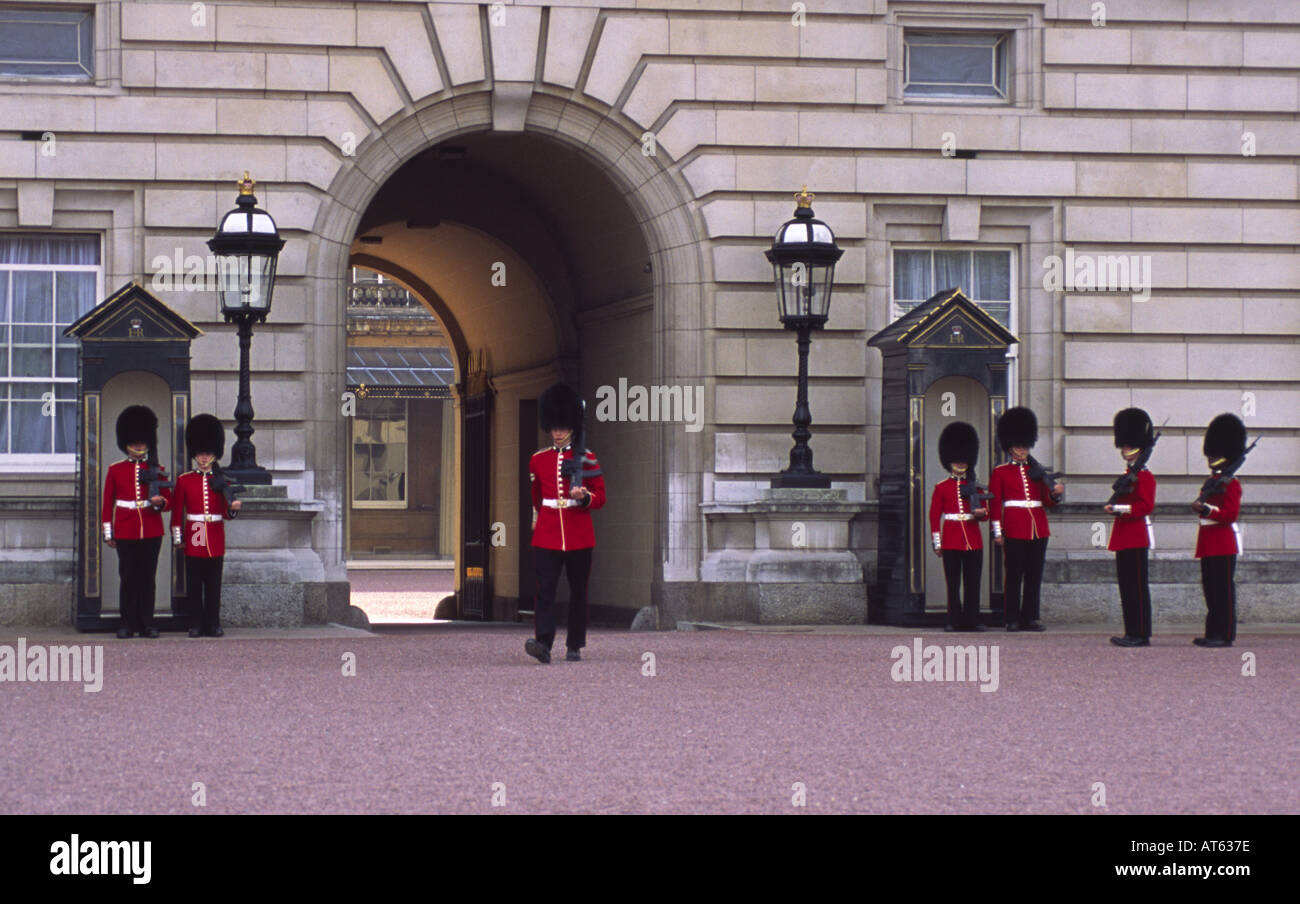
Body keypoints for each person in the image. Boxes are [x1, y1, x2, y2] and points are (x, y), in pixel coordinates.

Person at [525, 383, 606, 664]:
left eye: (563, 426)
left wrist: (584, 498)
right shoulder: (538, 460)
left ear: (572, 426)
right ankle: (543, 643)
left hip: (579, 533)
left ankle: (574, 644)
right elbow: (536, 497)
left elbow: (601, 497)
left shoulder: (587, 458)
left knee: (578, 591)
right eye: (555, 427)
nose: (558, 431)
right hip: (547, 534)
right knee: (544, 590)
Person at [988, 406, 1062, 632]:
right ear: (1010, 448)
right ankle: (1011, 619)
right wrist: (997, 531)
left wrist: (1054, 493)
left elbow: (1046, 502)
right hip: (1014, 527)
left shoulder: (1037, 471)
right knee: (1013, 576)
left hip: (1038, 528)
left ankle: (1029, 617)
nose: (1021, 450)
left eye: (1024, 446)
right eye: (1018, 446)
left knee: (1033, 576)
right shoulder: (1001, 472)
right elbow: (994, 503)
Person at [102, 405, 171, 639]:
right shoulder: (115, 470)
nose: (140, 445)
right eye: (135, 441)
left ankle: (147, 623)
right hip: (125, 529)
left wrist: (159, 502)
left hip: (151, 529)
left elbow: (168, 503)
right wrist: (108, 533)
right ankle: (127, 623)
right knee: (128, 577)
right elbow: (107, 504)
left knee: (147, 578)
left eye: (143, 441)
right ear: (126, 442)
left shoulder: (157, 469)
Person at [171, 414, 241, 637]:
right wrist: (178, 538)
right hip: (196, 532)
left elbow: (226, 514)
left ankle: (213, 623)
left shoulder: (223, 481)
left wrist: (233, 509)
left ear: (214, 454)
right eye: (200, 453)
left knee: (213, 585)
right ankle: (196, 623)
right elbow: (176, 512)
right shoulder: (185, 480)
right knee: (194, 583)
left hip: (215, 534)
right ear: (195, 453)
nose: (203, 457)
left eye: (207, 453)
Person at [1192, 413, 1245, 648]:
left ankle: (1224, 634)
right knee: (1211, 590)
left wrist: (1207, 511)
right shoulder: (1212, 481)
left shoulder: (1231, 483)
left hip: (1223, 543)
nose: (1211, 458)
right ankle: (1212, 632)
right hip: (1208, 542)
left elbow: (1230, 514)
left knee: (1222, 591)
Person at [930, 422, 989, 632]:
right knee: (953, 583)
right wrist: (937, 543)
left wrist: (982, 514)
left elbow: (985, 511)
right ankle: (953, 620)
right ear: (949, 463)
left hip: (973, 539)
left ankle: (972, 620)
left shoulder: (975, 486)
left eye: (964, 462)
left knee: (973, 583)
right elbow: (934, 516)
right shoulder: (942, 487)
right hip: (951, 538)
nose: (960, 466)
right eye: (957, 462)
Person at [1106, 407, 1157, 648]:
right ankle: (1132, 631)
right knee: (1127, 587)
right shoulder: (1129, 474)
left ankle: (1140, 633)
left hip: (1136, 535)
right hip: (1125, 536)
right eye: (1123, 446)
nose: (1124, 450)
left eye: (1128, 446)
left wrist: (1120, 510)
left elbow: (1145, 506)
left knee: (1136, 587)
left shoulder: (1145, 476)